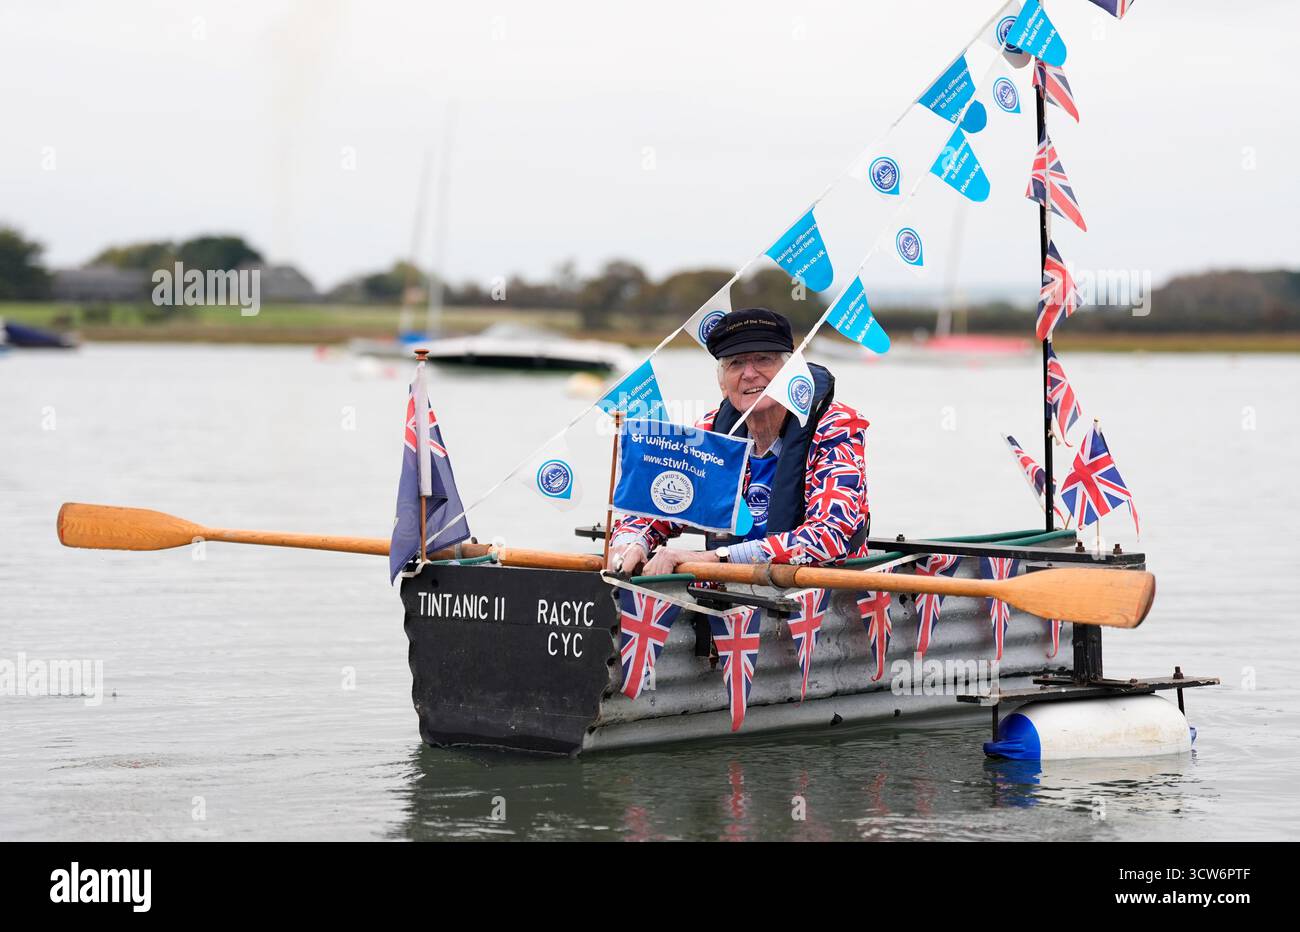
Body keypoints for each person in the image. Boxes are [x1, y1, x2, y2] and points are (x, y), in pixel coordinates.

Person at [607, 307, 871, 575]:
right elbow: (658, 506)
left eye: (764, 359)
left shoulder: (837, 426)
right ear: (723, 383)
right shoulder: (710, 429)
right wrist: (631, 543)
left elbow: (828, 539)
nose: (749, 373)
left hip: (824, 595)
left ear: (792, 372)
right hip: (733, 597)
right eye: (736, 363)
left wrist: (714, 558)